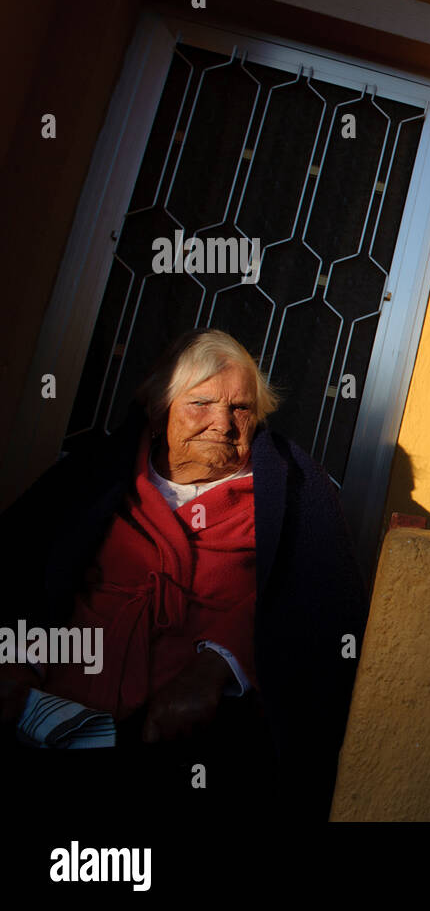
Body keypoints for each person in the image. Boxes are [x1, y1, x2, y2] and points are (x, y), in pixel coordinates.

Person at [0, 329, 370, 819]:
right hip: (54, 704)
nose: (223, 423)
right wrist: (17, 658)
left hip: (199, 738)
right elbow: (25, 571)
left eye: (241, 409)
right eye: (201, 403)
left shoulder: (291, 492)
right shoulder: (96, 476)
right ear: (160, 410)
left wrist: (219, 665)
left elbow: (317, 603)